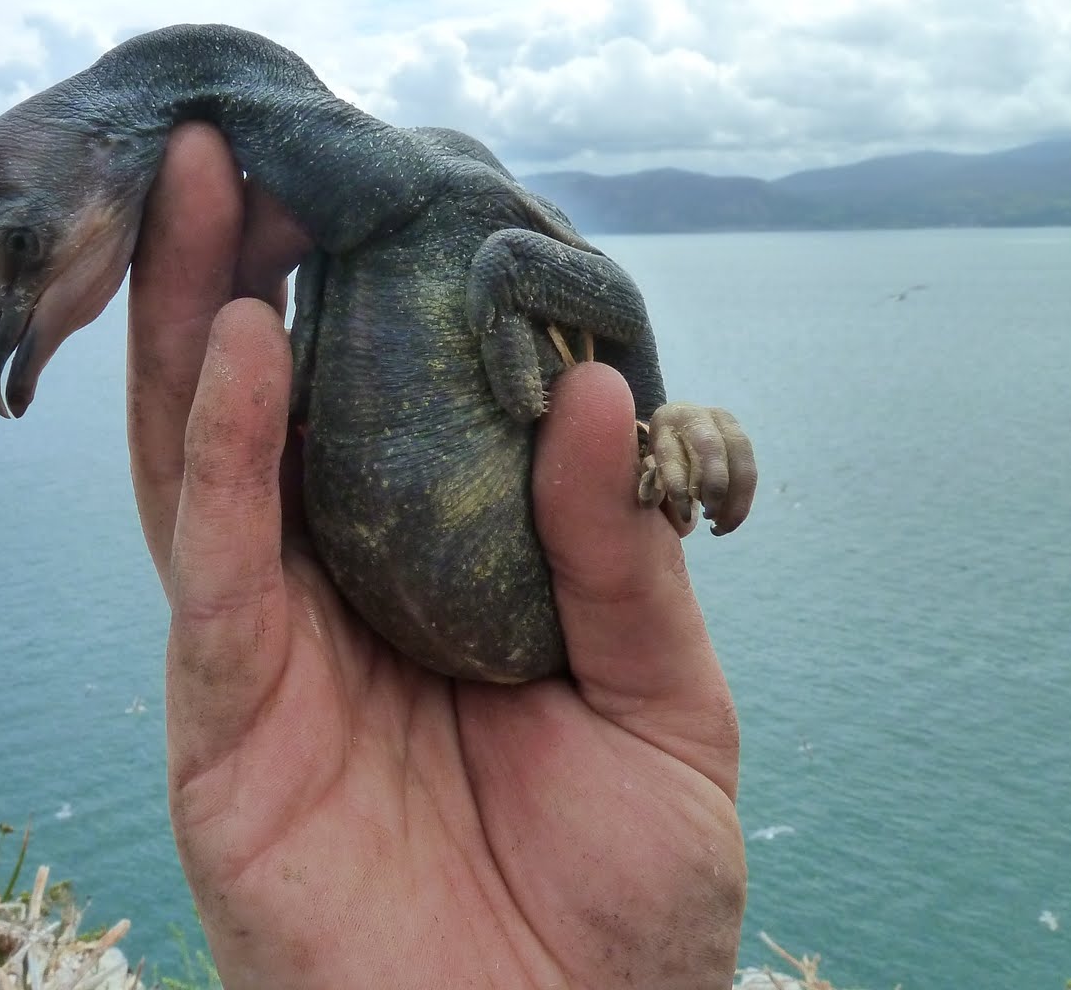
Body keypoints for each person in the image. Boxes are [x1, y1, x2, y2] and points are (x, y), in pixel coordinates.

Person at [124, 123, 746, 989]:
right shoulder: (346, 311)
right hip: (382, 647)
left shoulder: (554, 330)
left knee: (605, 422)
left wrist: (667, 420)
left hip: (533, 684)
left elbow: (620, 369)